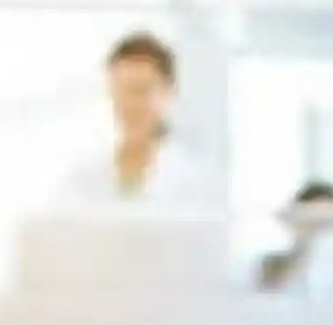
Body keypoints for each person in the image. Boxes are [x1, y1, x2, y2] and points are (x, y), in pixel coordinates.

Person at [56, 32, 216, 208]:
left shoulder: (194, 179)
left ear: (169, 93)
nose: (129, 104)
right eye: (120, 91)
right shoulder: (83, 175)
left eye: (140, 91)